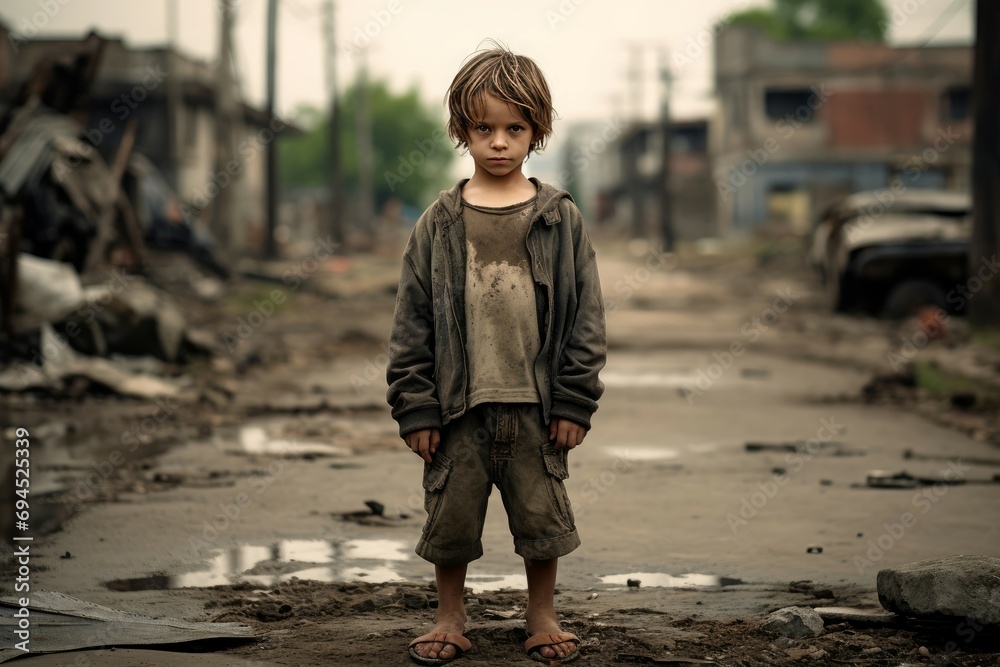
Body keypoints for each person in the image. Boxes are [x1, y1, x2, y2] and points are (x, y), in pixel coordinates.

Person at [386, 43, 606, 666]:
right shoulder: (439, 222)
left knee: (542, 519)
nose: (500, 142)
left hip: (537, 407)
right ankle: (450, 617)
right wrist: (416, 406)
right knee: (451, 519)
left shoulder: (559, 219)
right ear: (462, 129)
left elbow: (586, 319)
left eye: (515, 128)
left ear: (538, 130)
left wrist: (574, 400)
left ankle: (541, 616)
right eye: (484, 128)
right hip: (459, 407)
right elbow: (411, 321)